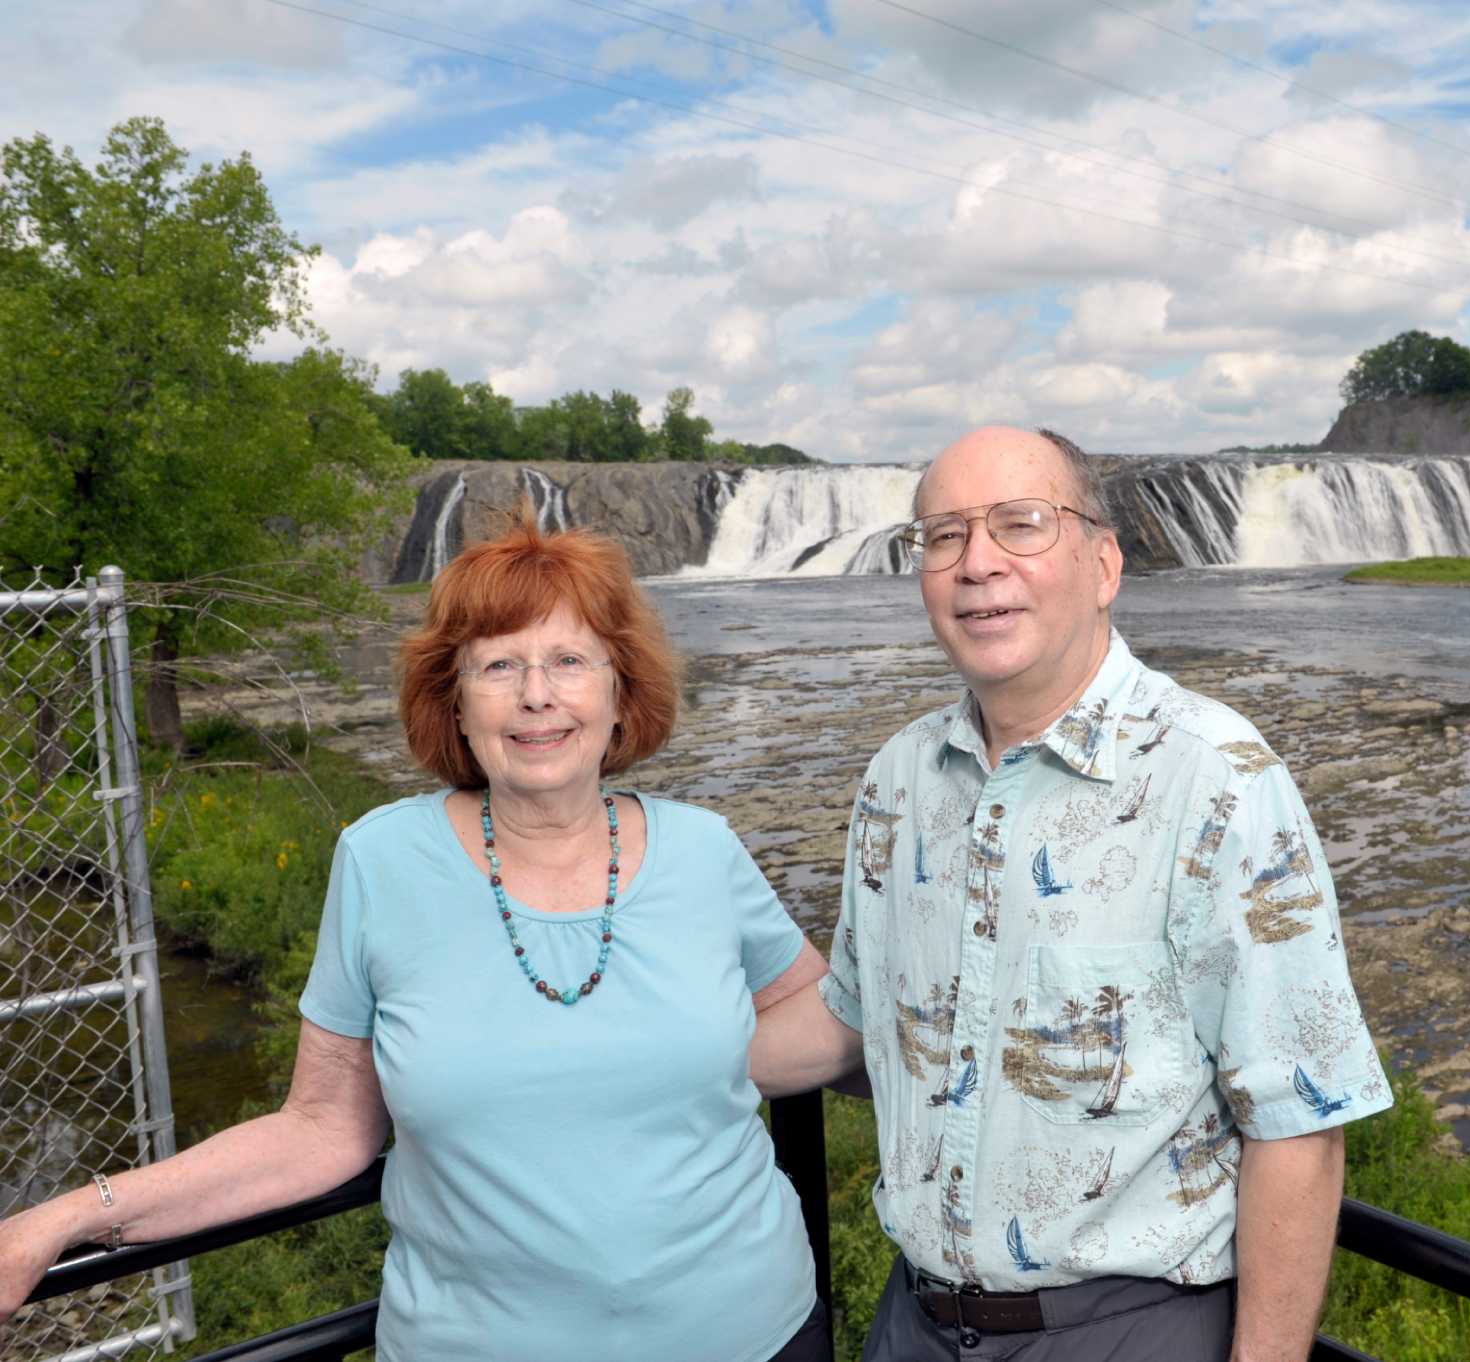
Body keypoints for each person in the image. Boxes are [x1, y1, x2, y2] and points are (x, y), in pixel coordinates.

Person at [1, 513, 830, 1362]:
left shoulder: (704, 849)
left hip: (754, 1335)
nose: (537, 695)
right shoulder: (381, 860)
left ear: (621, 694)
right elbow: (324, 1127)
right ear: (456, 704)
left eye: (570, 661)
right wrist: (68, 1216)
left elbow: (830, 1014)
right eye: (499, 665)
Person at [751, 425, 1391, 1362]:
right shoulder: (899, 780)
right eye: (943, 536)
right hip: (914, 1324)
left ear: (1102, 564)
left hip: (1130, 1331)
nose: (977, 565)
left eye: (1020, 525)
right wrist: (632, 1061)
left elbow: (1297, 1120)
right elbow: (856, 1021)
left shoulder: (1217, 781)